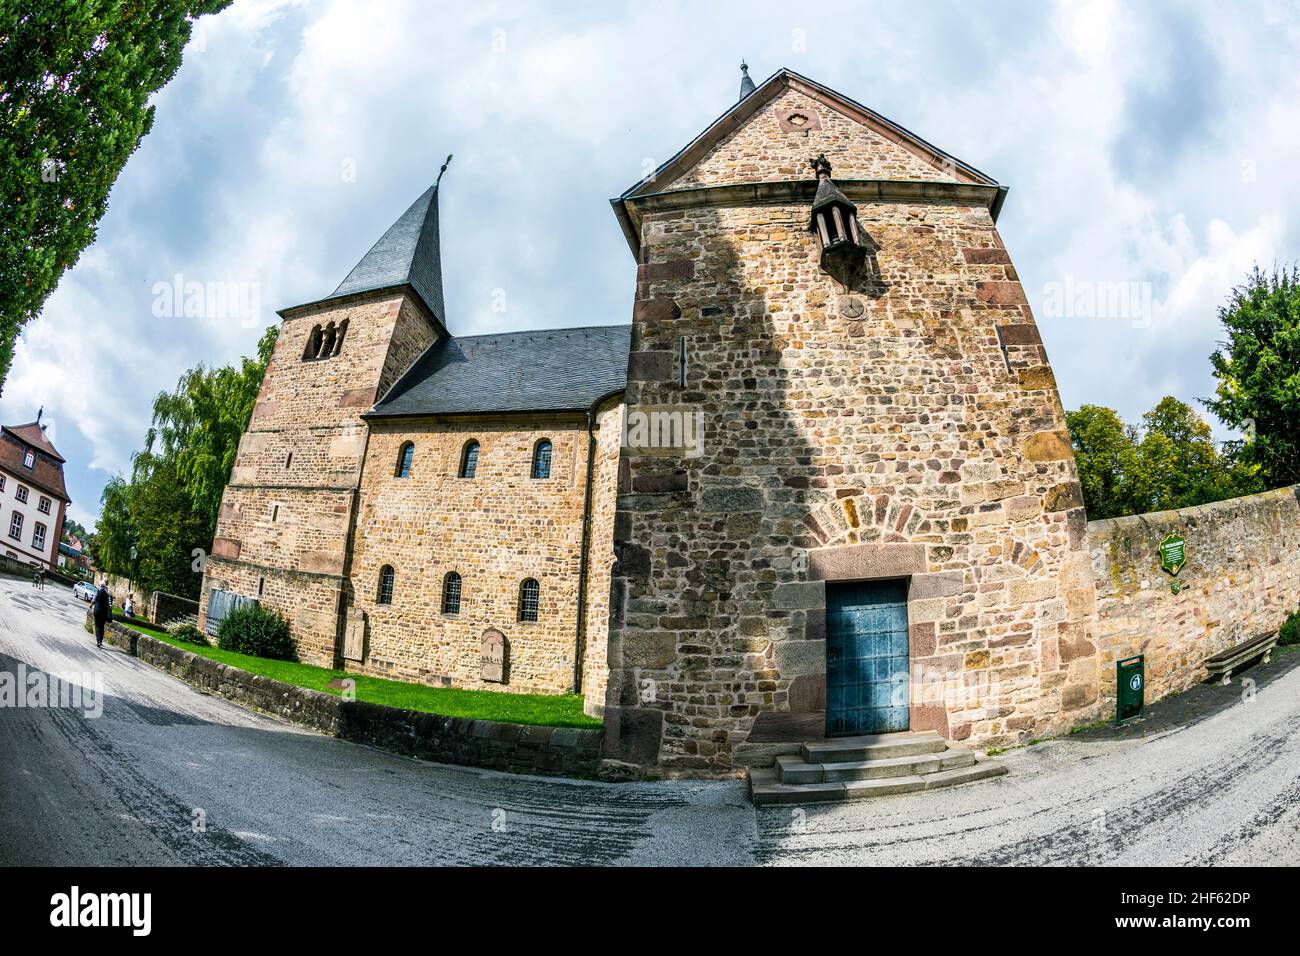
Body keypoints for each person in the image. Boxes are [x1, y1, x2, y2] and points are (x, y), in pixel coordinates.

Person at [92, 583, 111, 648]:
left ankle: (98, 641)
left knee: (97, 626)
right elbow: (109, 604)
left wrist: (91, 605)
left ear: (100, 586)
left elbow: (94, 600)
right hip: (104, 613)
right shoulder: (107, 594)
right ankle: (101, 641)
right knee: (102, 626)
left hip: (97, 612)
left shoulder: (98, 592)